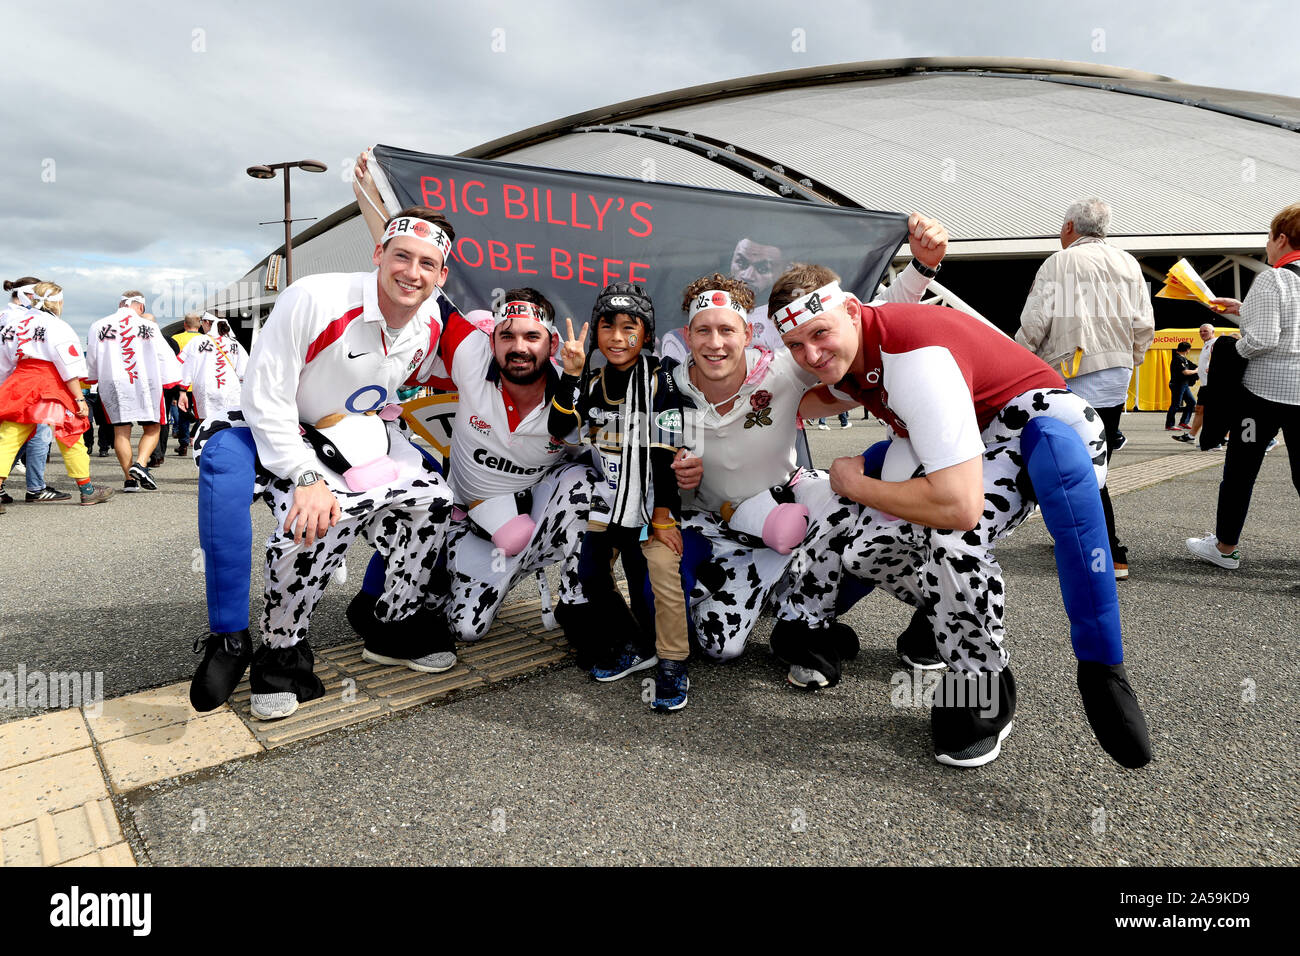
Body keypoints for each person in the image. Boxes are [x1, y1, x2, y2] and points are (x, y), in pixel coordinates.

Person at [776, 264, 1148, 768]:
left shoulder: (914, 356)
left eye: (819, 335)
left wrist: (858, 484)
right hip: (958, 434)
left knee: (953, 540)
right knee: (865, 546)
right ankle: (937, 619)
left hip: (1027, 423)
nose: (811, 355)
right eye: (796, 346)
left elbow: (959, 505)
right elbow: (812, 396)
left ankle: (982, 685)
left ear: (852, 309)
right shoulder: (854, 350)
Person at [188, 205, 459, 721]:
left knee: (436, 505)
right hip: (288, 434)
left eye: (427, 263)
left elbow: (394, 384)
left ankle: (390, 624)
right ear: (378, 253)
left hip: (359, 436)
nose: (412, 272)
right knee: (312, 526)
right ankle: (280, 656)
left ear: (441, 274)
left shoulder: (428, 319)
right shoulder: (312, 297)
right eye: (402, 256)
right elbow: (266, 396)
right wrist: (306, 475)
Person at [669, 214, 947, 687]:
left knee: (866, 511)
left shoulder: (781, 369)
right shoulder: (667, 387)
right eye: (703, 331)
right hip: (719, 525)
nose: (715, 344)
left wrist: (921, 269)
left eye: (727, 330)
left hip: (789, 498)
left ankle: (832, 623)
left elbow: (862, 323)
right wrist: (669, 473)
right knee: (720, 647)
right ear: (688, 335)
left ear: (748, 334)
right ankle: (776, 591)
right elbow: (619, 440)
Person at [548, 283, 692, 711]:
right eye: (607, 326)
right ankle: (636, 643)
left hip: (652, 502)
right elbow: (559, 429)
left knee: (659, 576)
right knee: (590, 573)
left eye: (629, 327)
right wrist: (571, 373)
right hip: (607, 501)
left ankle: (672, 661)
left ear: (646, 334)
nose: (616, 337)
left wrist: (664, 516)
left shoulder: (662, 378)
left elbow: (669, 448)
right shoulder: (591, 381)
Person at [1016, 198, 1155, 580]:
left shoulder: (1060, 263)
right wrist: (1132, 358)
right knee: (1097, 458)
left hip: (1072, 372)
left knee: (1078, 464)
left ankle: (1110, 551)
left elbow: (1036, 322)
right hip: (1117, 373)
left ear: (1068, 228)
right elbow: (1144, 324)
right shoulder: (1128, 262)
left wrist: (1017, 362)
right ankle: (1079, 536)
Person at [1187, 203, 1300, 569]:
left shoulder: (1274, 278)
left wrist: (1233, 347)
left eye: (1269, 237)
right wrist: (1243, 308)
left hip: (1263, 396)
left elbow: (1264, 338)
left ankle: (1224, 547)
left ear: (1281, 239)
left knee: (1240, 472)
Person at [0, 281, 113, 506]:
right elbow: (68, 364)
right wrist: (80, 398)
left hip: (20, 382)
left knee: (8, 439)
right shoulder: (57, 326)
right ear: (58, 301)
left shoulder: (13, 325)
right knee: (71, 435)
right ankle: (87, 490)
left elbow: (4, 361)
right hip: (53, 386)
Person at [84, 292, 183, 492]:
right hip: (146, 382)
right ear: (140, 307)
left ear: (120, 303)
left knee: (121, 431)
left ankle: (129, 479)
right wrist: (171, 381)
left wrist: (92, 377)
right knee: (154, 426)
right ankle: (141, 463)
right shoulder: (149, 327)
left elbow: (92, 356)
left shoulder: (99, 325)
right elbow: (164, 357)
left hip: (113, 382)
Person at [1, 277, 60, 503]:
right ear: (28, 294)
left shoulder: (4, 316)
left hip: (8, 383)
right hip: (23, 383)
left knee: (13, 437)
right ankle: (36, 487)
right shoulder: (25, 319)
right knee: (38, 434)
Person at [177, 315, 247, 424]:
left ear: (207, 322)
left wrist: (182, 391)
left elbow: (185, 365)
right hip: (231, 390)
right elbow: (244, 371)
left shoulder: (197, 341)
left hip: (205, 390)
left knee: (207, 427)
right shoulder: (235, 343)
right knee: (230, 425)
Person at [1175, 323, 1218, 446]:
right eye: (1201, 331)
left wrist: (1214, 368)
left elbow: (1220, 358)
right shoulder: (1206, 345)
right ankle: (1191, 436)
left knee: (1212, 412)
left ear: (1213, 331)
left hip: (1212, 385)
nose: (1202, 333)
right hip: (1205, 385)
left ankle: (1216, 440)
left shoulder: (1215, 343)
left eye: (1205, 331)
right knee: (1199, 409)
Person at [1165, 341, 1198, 431]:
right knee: (1175, 404)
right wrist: (1196, 371)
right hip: (1177, 384)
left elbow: (1194, 366)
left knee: (1191, 402)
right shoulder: (1178, 359)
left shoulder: (1184, 358)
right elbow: (1185, 372)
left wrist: (1198, 368)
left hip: (1184, 384)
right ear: (1187, 350)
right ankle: (1169, 424)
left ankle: (1184, 422)